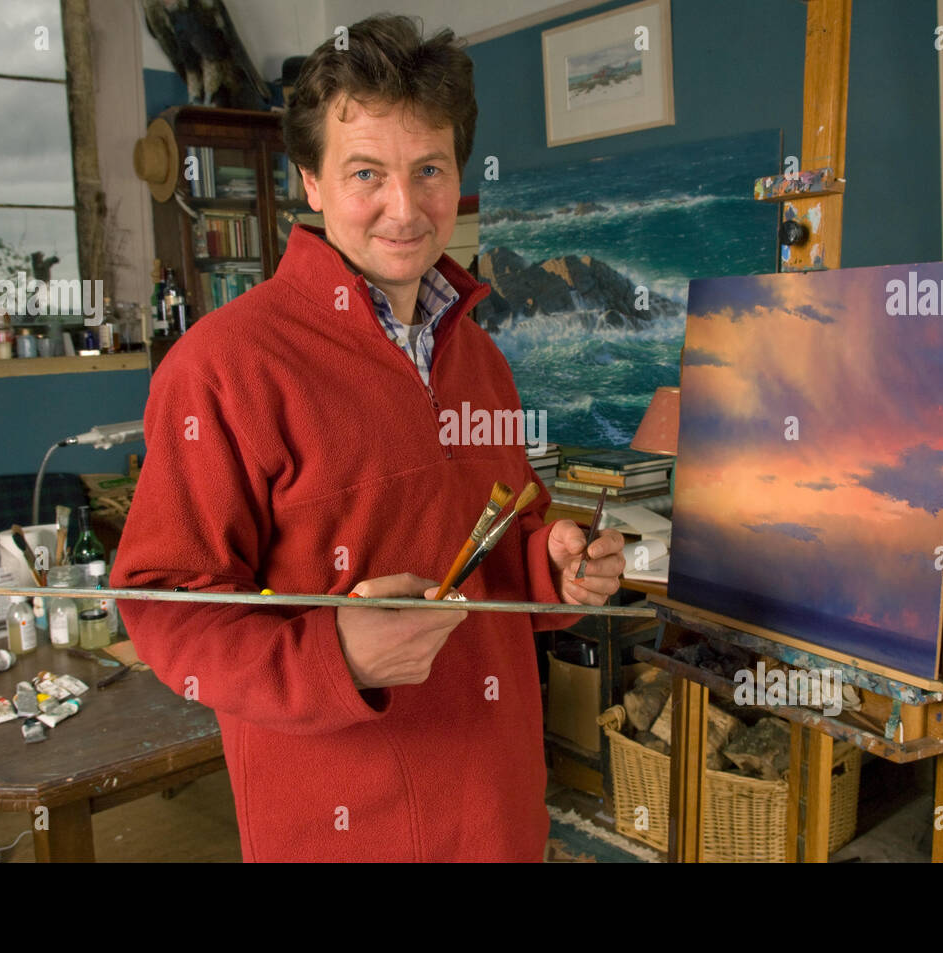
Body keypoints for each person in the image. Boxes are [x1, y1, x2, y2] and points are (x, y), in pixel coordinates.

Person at [112, 14, 626, 862]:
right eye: (365, 173)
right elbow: (168, 609)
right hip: (339, 829)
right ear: (310, 180)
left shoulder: (483, 358)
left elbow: (496, 545)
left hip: (498, 814)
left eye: (430, 169)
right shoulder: (221, 368)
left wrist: (556, 565)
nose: (404, 206)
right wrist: (333, 653)